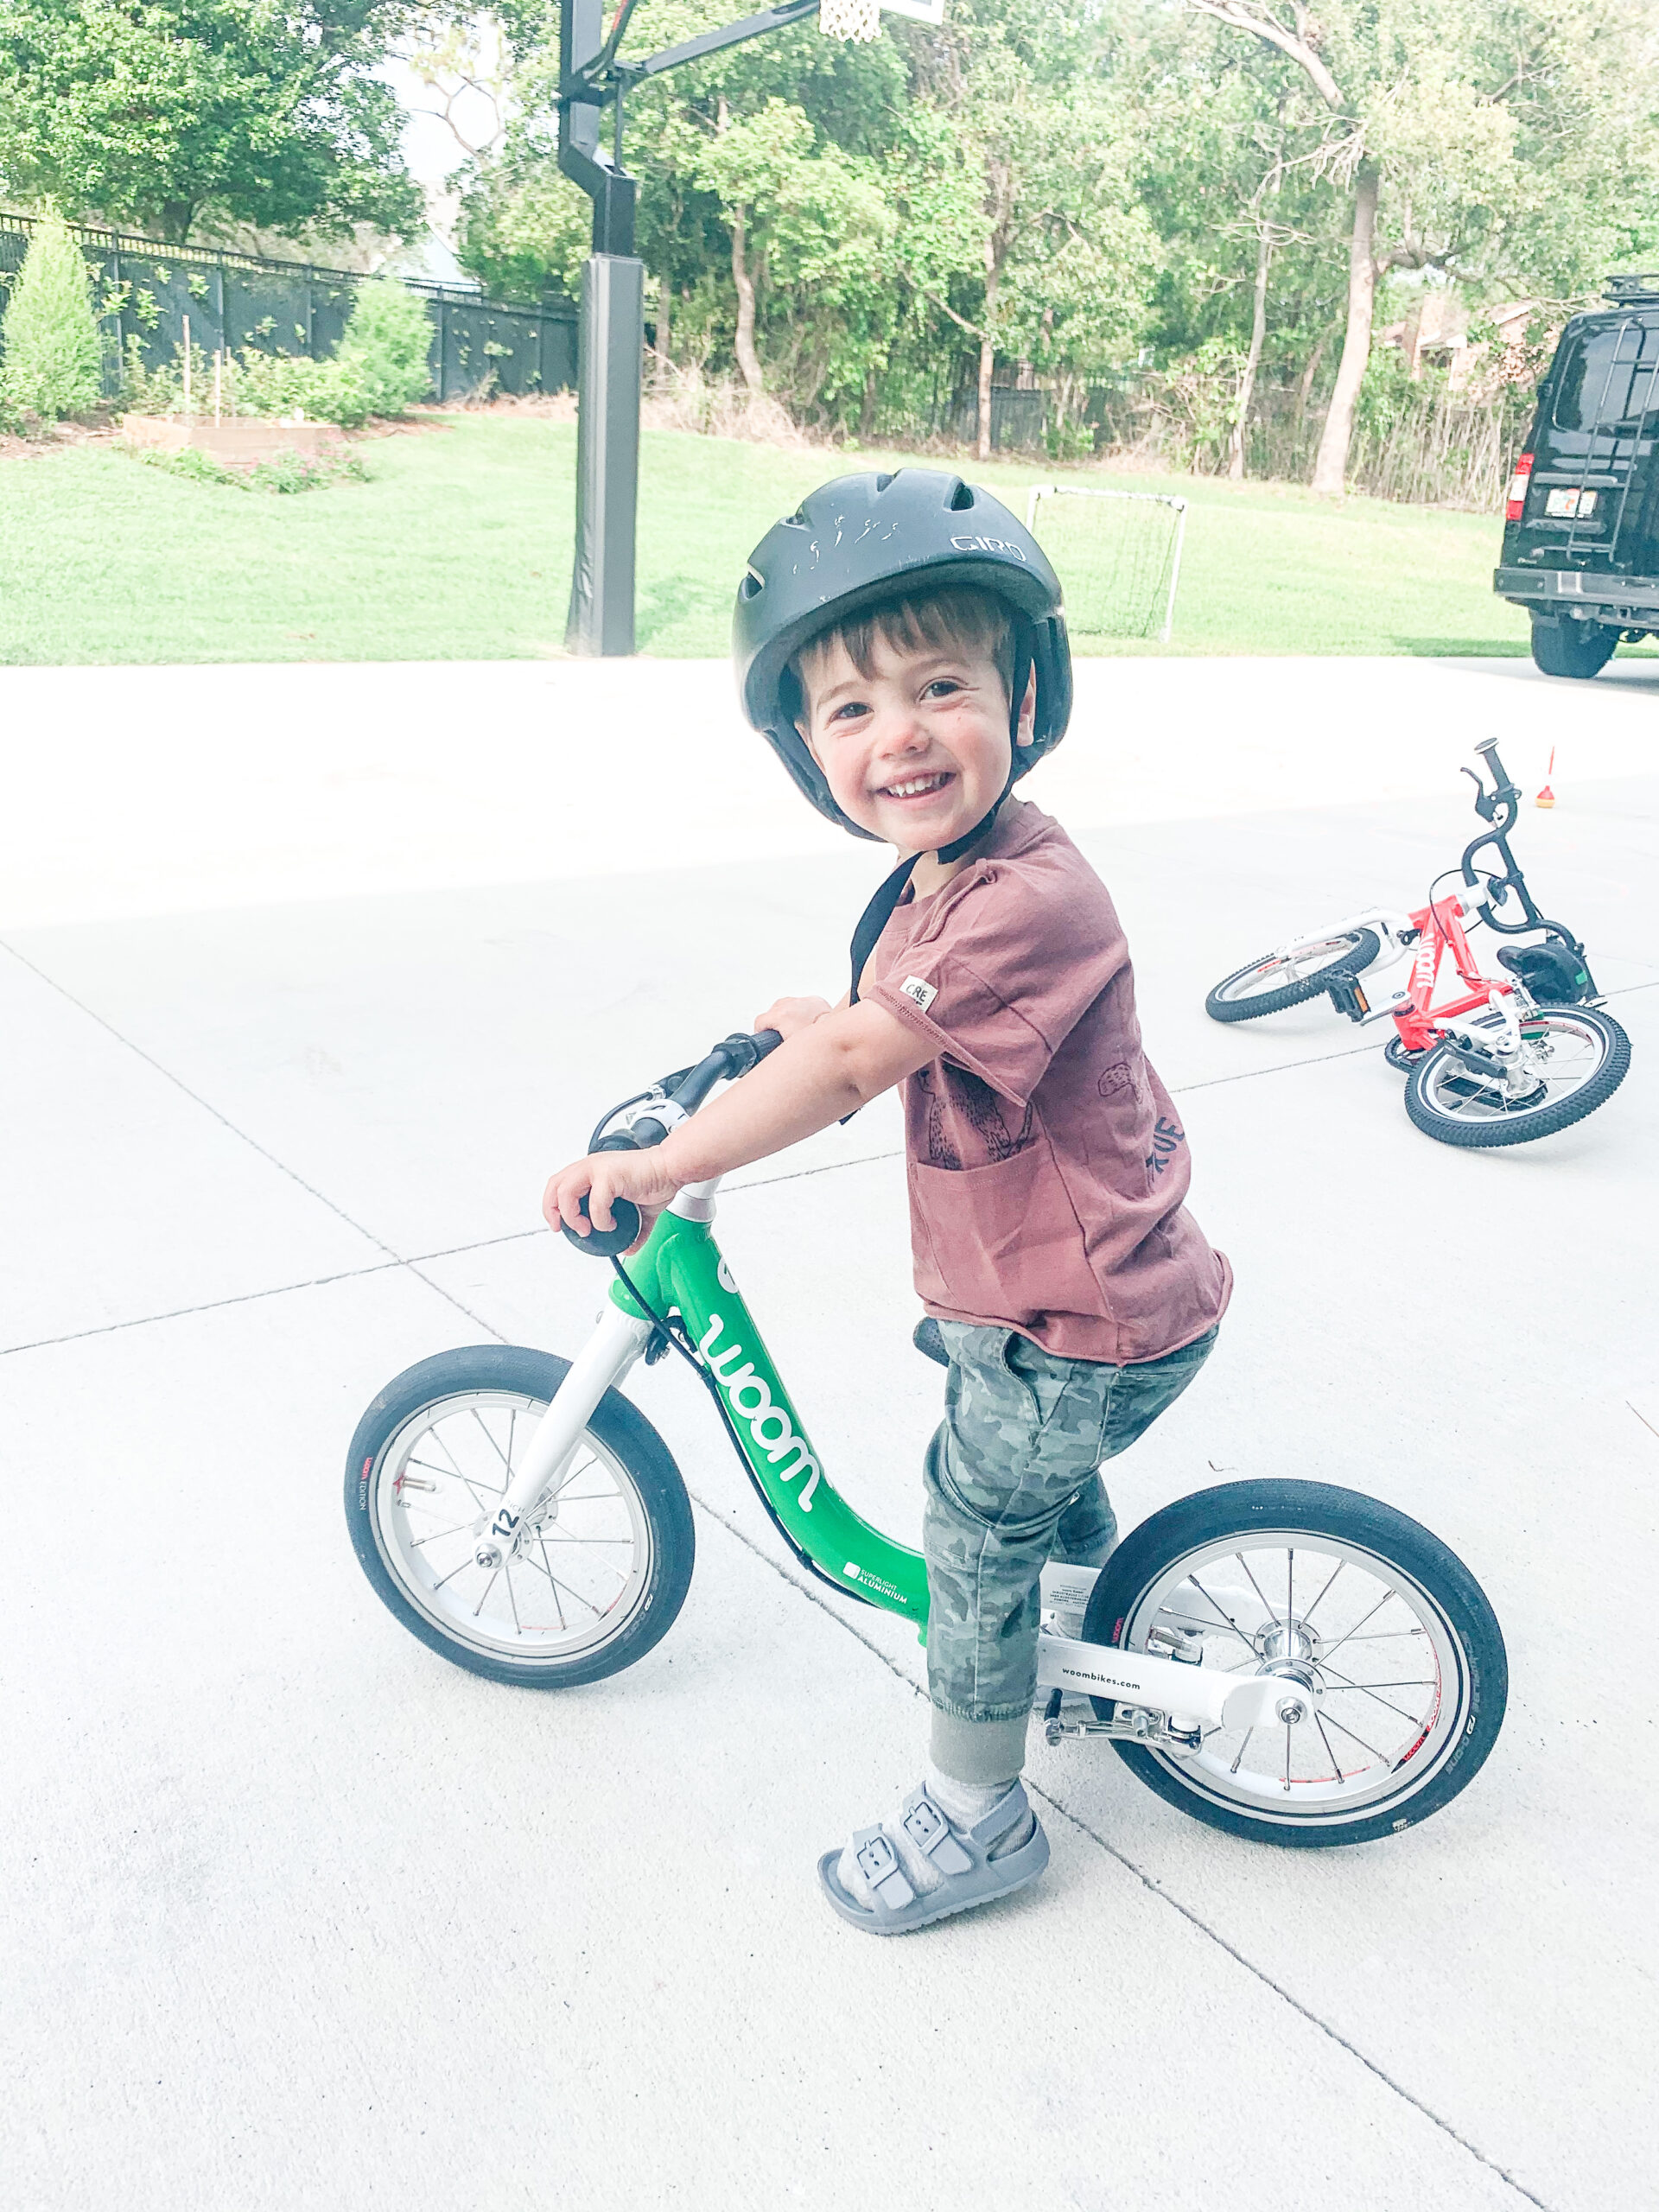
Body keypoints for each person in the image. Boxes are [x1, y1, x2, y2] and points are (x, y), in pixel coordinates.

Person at [543, 470, 1231, 1935]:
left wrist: (663, 1164)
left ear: (1023, 694)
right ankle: (1098, 1624)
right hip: (1065, 1290)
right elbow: (880, 1015)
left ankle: (977, 1813)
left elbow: (868, 1052)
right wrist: (812, 1020)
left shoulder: (1027, 891)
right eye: (850, 709)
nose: (900, 732)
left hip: (1084, 1313)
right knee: (1021, 1475)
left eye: (939, 685)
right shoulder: (949, 872)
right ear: (807, 748)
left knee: (973, 1527)